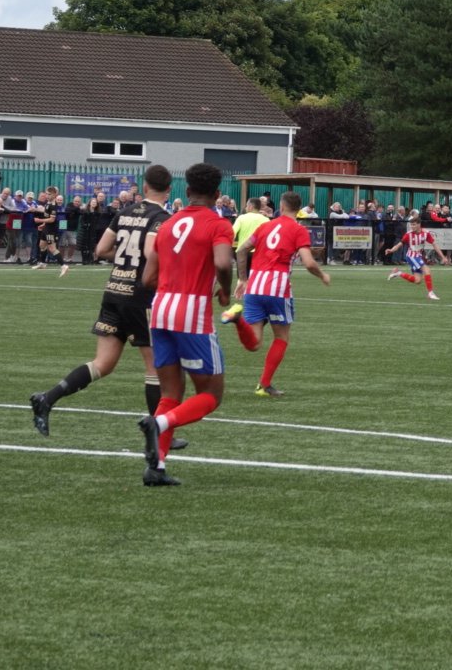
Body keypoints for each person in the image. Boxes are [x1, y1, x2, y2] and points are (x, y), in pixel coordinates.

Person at [30, 164, 173, 438]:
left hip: (114, 290)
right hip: (139, 296)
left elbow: (101, 250)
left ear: (143, 187)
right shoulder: (162, 217)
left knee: (102, 364)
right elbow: (149, 251)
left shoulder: (124, 212)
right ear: (168, 190)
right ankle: (160, 435)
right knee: (155, 366)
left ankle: (47, 398)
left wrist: (122, 259)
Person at [135, 162, 236, 487]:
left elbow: (148, 278)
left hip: (160, 310)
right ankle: (160, 424)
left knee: (170, 390)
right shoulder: (218, 224)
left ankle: (156, 467)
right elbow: (222, 261)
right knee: (211, 394)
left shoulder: (168, 225)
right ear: (218, 194)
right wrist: (223, 288)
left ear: (187, 191)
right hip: (191, 313)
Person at [223, 191, 332, 397]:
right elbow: (308, 262)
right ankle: (264, 385)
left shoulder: (265, 226)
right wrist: (322, 275)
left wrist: (243, 279)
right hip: (277, 288)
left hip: (254, 285)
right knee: (281, 337)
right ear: (298, 210)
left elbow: (241, 250)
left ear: (281, 207)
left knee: (254, 343)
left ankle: (237, 320)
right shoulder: (298, 230)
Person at [385, 214, 449, 300]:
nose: (412, 226)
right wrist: (392, 250)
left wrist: (443, 257)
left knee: (417, 280)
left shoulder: (426, 233)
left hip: (418, 256)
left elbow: (434, 245)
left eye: (414, 224)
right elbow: (400, 244)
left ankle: (398, 273)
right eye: (411, 225)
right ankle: (430, 293)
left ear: (419, 224)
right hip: (411, 256)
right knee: (427, 269)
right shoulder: (408, 234)